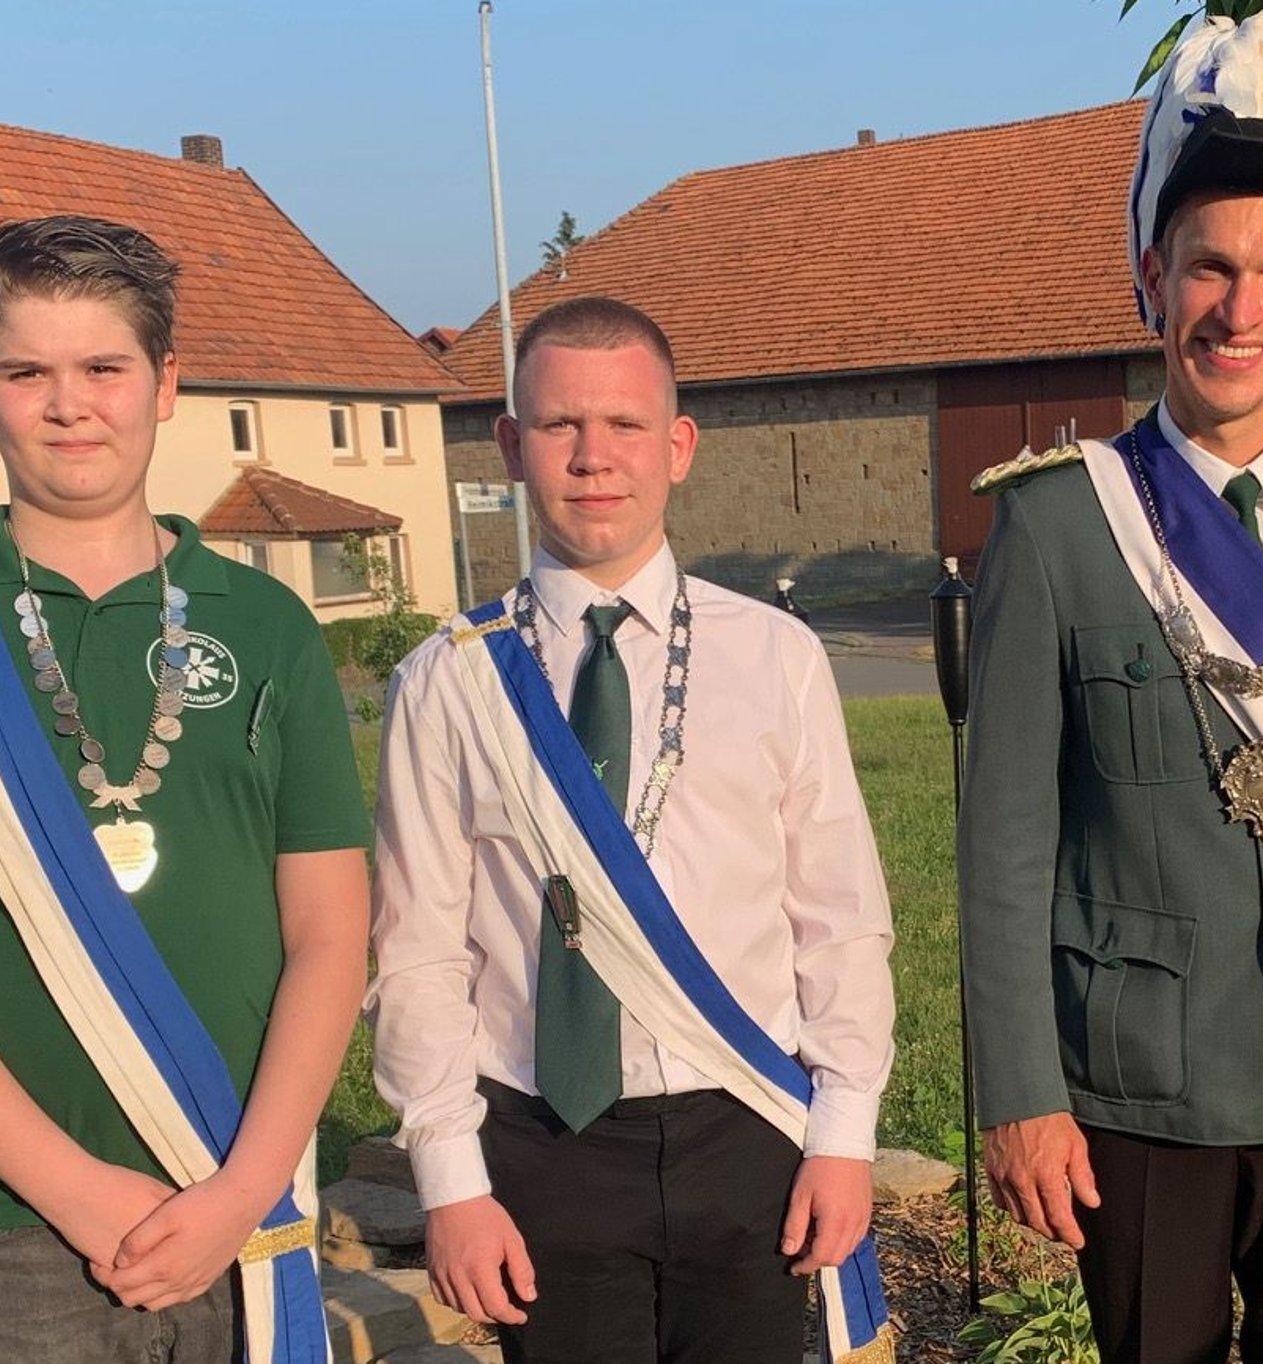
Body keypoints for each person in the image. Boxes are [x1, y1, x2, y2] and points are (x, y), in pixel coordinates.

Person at [956, 8, 1263, 1362]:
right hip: (1139, 1089)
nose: (1244, 309)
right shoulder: (1058, 527)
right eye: (1211, 269)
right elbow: (1005, 841)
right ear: (1150, 280)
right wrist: (1020, 1094)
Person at [0, 216, 371, 1362]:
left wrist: (245, 1185)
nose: (69, 405)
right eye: (26, 372)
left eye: (104, 368)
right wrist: (71, 1187)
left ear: (165, 385)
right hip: (16, 1211)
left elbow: (330, 929)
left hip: (242, 1174)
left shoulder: (267, 625)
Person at [367, 295, 896, 1364]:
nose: (593, 457)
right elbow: (417, 946)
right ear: (513, 445)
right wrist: (450, 1177)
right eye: (560, 425)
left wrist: (843, 1133)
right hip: (541, 1138)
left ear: (678, 445)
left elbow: (839, 916)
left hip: (744, 1120)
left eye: (624, 425)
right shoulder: (449, 679)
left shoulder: (773, 656)